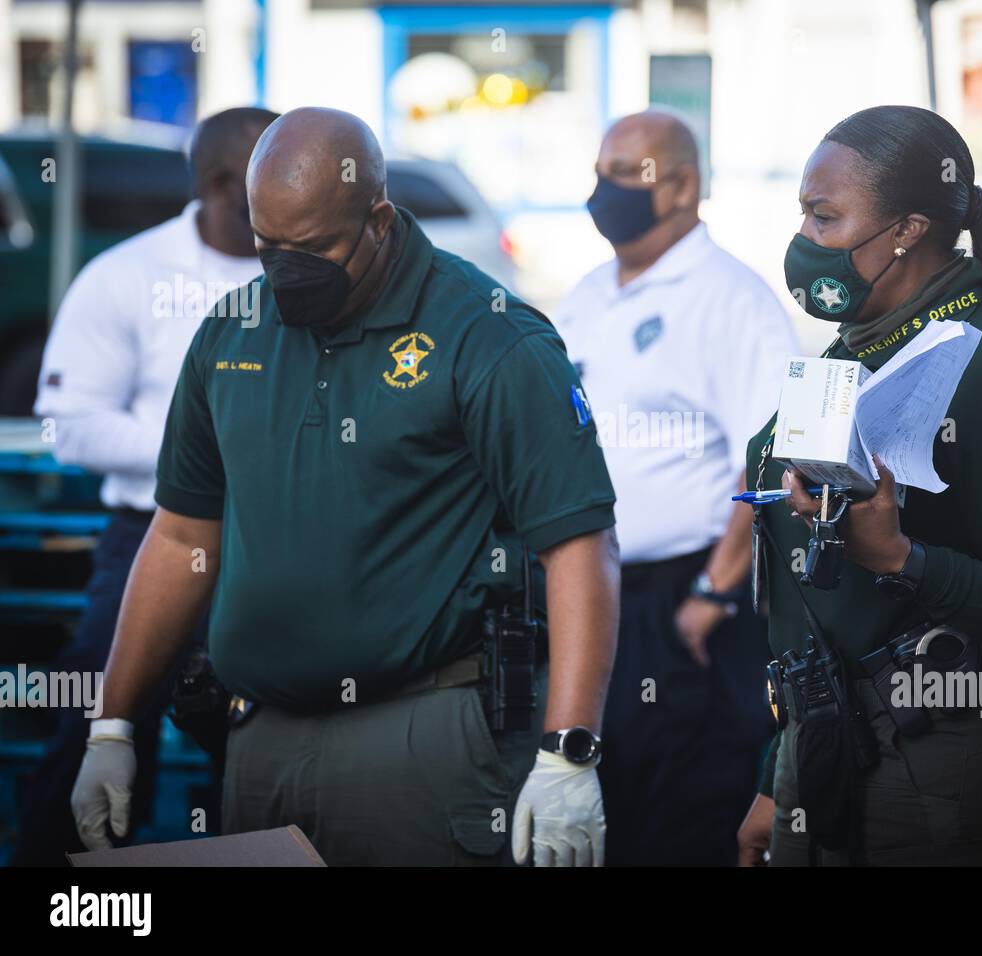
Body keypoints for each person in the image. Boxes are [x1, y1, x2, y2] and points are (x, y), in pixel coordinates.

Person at [69, 107, 620, 867]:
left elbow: (579, 544)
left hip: (422, 740)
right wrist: (112, 724)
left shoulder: (487, 336)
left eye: (316, 247)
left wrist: (568, 752)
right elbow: (182, 534)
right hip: (257, 740)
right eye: (268, 247)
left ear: (380, 220)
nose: (287, 269)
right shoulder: (234, 331)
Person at [736, 105, 982, 866]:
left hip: (951, 760)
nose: (803, 243)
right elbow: (819, 609)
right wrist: (781, 774)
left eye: (823, 217)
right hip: (831, 743)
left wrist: (903, 559)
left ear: (905, 230)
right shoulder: (855, 353)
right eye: (803, 216)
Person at [12, 107, 278, 866]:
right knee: (96, 728)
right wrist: (204, 462)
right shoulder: (128, 273)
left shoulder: (312, 267)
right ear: (228, 182)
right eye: (277, 171)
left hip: (280, 549)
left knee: (270, 748)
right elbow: (74, 425)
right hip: (152, 540)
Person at [551, 110, 798, 865]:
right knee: (607, 806)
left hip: (688, 609)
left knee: (686, 819)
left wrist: (712, 597)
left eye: (628, 174)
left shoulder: (732, 301)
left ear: (684, 184)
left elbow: (771, 466)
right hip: (595, 595)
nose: (605, 191)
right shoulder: (588, 295)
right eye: (601, 172)